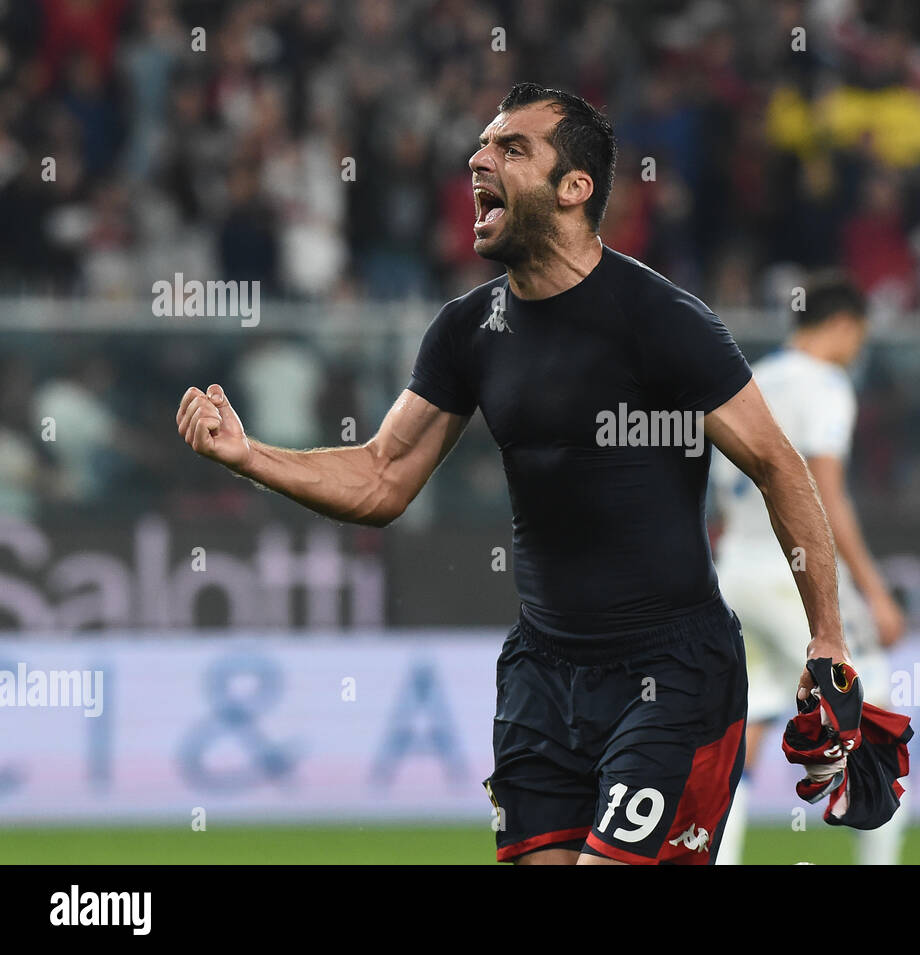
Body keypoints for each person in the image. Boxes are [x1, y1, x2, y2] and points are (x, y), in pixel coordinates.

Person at [176, 83, 850, 865]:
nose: (478, 159)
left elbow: (779, 464)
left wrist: (827, 636)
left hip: (672, 673)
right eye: (483, 145)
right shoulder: (469, 331)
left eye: (510, 148)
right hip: (542, 674)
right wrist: (249, 454)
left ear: (575, 188)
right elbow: (381, 478)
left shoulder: (662, 320)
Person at [711, 272, 908, 865]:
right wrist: (874, 592)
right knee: (878, 721)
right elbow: (824, 492)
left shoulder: (750, 380)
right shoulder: (825, 383)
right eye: (858, 338)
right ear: (844, 326)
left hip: (734, 572)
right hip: (786, 577)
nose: (857, 351)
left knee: (738, 738)